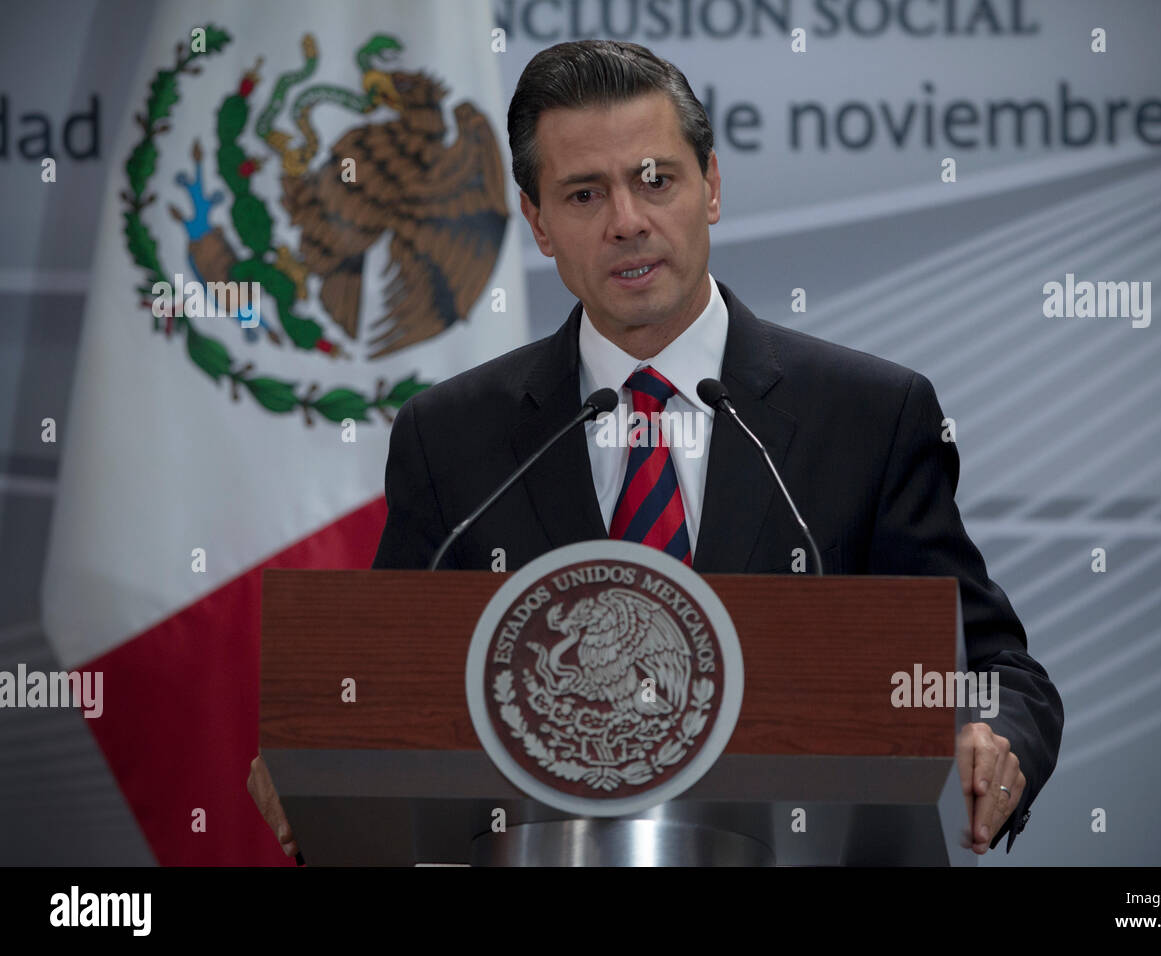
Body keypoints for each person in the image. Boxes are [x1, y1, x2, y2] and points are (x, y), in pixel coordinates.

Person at [250, 38, 1064, 862]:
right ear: (537, 223)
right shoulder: (450, 436)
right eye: (583, 194)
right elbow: (391, 689)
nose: (627, 221)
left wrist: (995, 737)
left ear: (710, 187)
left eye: (655, 180)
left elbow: (990, 665)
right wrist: (323, 753)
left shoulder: (870, 415)